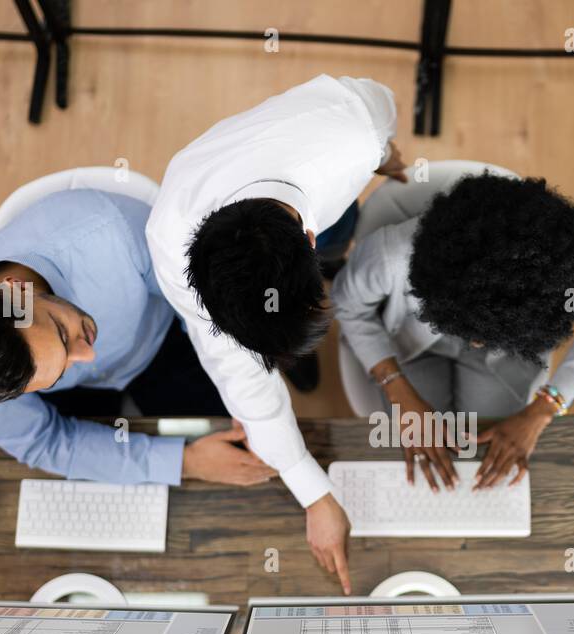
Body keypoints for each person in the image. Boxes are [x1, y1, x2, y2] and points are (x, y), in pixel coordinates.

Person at [147, 74, 408, 595]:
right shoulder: (171, 246)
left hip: (332, 192)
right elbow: (244, 384)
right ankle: (285, 343)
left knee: (343, 237)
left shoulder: (354, 127)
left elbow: (382, 116)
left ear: (305, 242)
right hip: (285, 209)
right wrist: (314, 493)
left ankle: (298, 313)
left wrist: (383, 155)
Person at [0, 188, 275, 487]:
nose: (87, 355)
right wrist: (187, 462)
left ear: (16, 291)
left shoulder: (112, 234)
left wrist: (239, 380)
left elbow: (203, 304)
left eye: (61, 332)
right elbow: (45, 441)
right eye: (55, 372)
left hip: (161, 342)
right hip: (73, 400)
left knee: (254, 443)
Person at [332, 173, 574, 490]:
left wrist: (544, 409)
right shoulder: (392, 254)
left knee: (480, 453)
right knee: (420, 451)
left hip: (507, 357)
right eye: (477, 337)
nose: (476, 344)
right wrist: (394, 386)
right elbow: (347, 305)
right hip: (412, 345)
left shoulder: (570, 273)